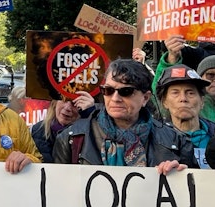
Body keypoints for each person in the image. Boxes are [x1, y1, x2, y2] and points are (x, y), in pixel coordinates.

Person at [53, 58, 196, 172]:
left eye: (125, 91)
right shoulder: (72, 138)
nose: (115, 98)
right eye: (108, 90)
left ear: (145, 98)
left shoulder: (176, 141)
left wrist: (181, 176)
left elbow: (193, 194)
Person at [151, 35, 215, 122]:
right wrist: (172, 57)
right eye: (211, 75)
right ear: (201, 80)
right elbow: (159, 93)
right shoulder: (188, 106)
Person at [156, 64, 215, 168]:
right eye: (175, 93)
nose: (183, 98)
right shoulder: (154, 138)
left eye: (190, 93)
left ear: (202, 101)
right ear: (164, 102)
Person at [30, 93, 95, 163]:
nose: (67, 108)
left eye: (74, 103)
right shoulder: (37, 131)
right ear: (55, 103)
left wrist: (90, 115)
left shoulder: (91, 131)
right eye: (64, 100)